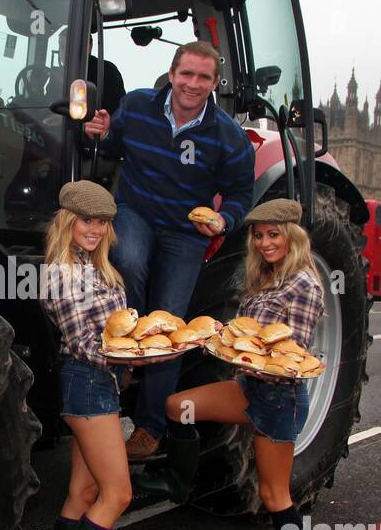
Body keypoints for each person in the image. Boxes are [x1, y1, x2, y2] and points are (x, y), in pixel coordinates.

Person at [134, 199, 325, 530]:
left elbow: (292, 352)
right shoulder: (262, 277)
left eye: (273, 235)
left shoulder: (305, 286)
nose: (265, 242)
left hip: (279, 398)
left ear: (291, 236)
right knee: (177, 406)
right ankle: (178, 482)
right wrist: (217, 337)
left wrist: (244, 349)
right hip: (248, 387)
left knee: (276, 497)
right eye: (259, 236)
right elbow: (243, 333)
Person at [83, 41, 255, 461]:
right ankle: (125, 361)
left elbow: (240, 192)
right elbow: (111, 147)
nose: (192, 84)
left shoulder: (227, 136)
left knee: (171, 325)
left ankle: (149, 428)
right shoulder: (139, 106)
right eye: (186, 74)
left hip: (185, 230)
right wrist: (101, 133)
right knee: (128, 259)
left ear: (214, 83)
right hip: (136, 211)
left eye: (203, 77)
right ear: (172, 74)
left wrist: (223, 221)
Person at [38, 180, 135, 530]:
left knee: (83, 493)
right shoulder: (62, 271)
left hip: (102, 384)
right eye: (86, 220)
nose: (94, 229)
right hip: (88, 384)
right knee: (118, 494)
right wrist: (139, 355)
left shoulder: (95, 267)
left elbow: (114, 331)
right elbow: (82, 341)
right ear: (67, 221)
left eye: (102, 222)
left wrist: (139, 348)